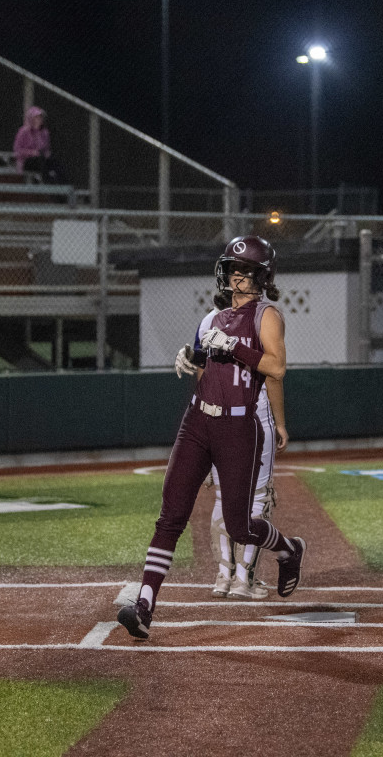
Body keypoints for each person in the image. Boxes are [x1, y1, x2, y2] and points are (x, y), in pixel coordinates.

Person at [117, 235, 305, 640]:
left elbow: (276, 368)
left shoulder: (266, 315)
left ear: (262, 276)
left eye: (246, 271)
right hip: (198, 421)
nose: (237, 276)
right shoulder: (210, 319)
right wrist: (194, 358)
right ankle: (145, 605)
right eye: (233, 269)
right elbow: (209, 372)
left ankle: (289, 550)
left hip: (239, 427)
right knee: (171, 516)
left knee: (240, 527)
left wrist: (236, 348)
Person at [178, 290, 288, 600]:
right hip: (255, 415)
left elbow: (202, 374)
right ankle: (243, 579)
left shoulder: (208, 321)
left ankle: (222, 576)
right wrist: (280, 423)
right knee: (257, 499)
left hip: (215, 415)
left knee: (223, 497)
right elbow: (273, 376)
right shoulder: (260, 319)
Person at [12, 106, 65, 183]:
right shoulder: (23, 131)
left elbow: (46, 148)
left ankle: (62, 183)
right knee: (41, 163)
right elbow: (17, 150)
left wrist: (38, 134)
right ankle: (48, 184)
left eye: (40, 117)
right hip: (27, 160)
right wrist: (32, 152)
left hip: (41, 158)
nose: (39, 120)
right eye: (37, 117)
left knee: (55, 162)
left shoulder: (44, 132)